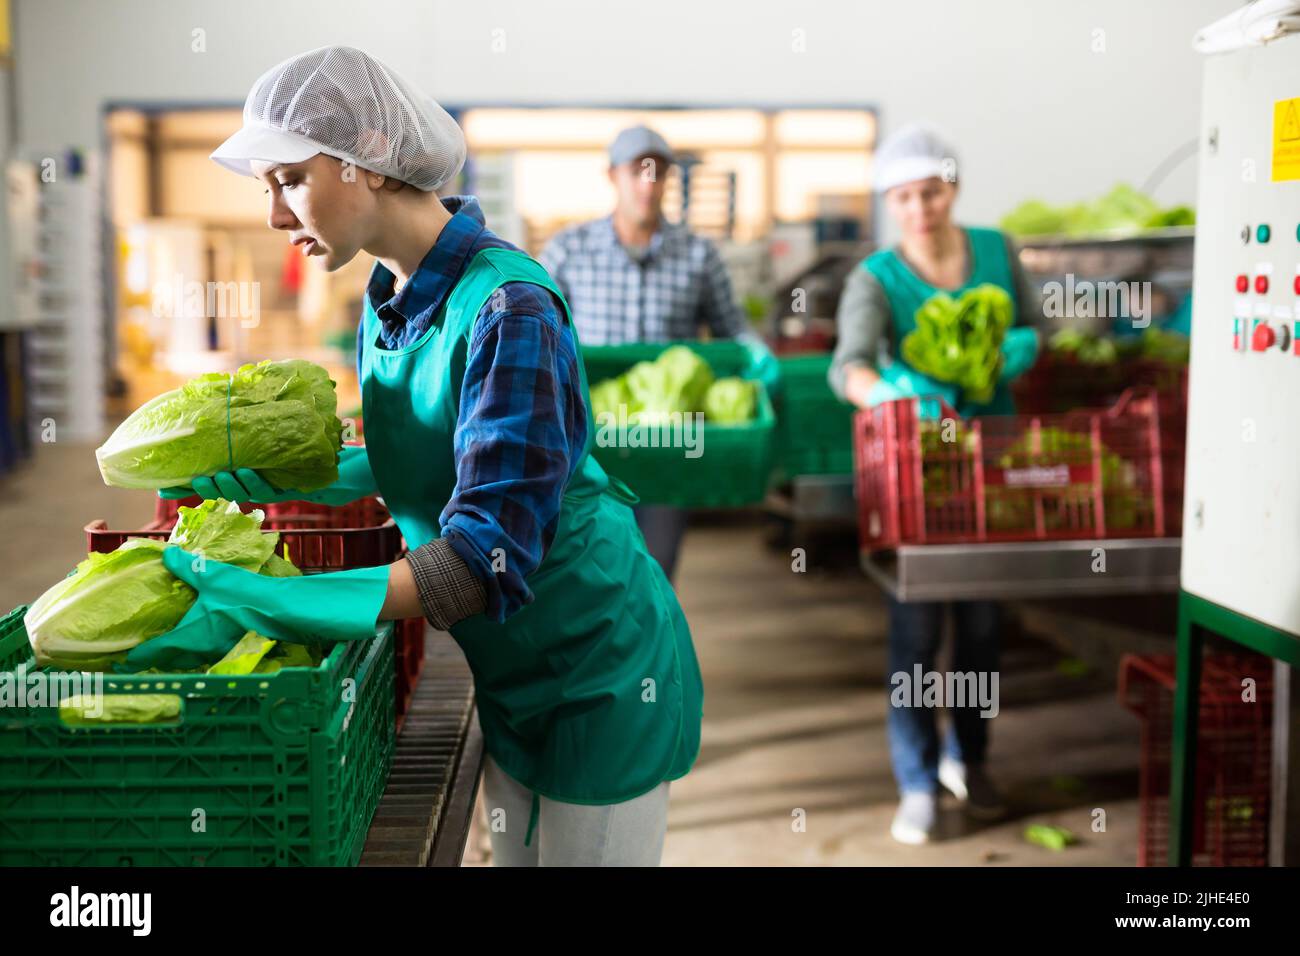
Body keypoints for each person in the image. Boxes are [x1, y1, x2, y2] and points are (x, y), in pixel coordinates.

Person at [133, 46, 703, 867]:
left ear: (366, 159)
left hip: (596, 663)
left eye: (289, 179)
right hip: (512, 668)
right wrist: (296, 473)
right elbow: (423, 455)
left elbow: (478, 561)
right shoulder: (388, 301)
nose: (274, 215)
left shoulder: (510, 309)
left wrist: (281, 601)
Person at [828, 123, 1041, 845]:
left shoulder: (996, 250)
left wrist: (1020, 348)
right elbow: (846, 367)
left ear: (951, 189)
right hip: (915, 473)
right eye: (906, 197)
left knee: (982, 628)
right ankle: (916, 780)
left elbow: (1036, 326)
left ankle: (969, 759)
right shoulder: (876, 278)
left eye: (932, 192)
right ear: (892, 202)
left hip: (992, 467)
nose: (921, 208)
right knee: (916, 632)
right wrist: (891, 393)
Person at [539, 125, 766, 582]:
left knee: (658, 571)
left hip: (667, 444)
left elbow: (732, 331)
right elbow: (540, 334)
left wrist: (757, 353)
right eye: (636, 171)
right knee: (593, 569)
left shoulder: (699, 254)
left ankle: (657, 652)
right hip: (593, 441)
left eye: (658, 172)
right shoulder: (568, 251)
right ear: (612, 176)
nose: (648, 183)